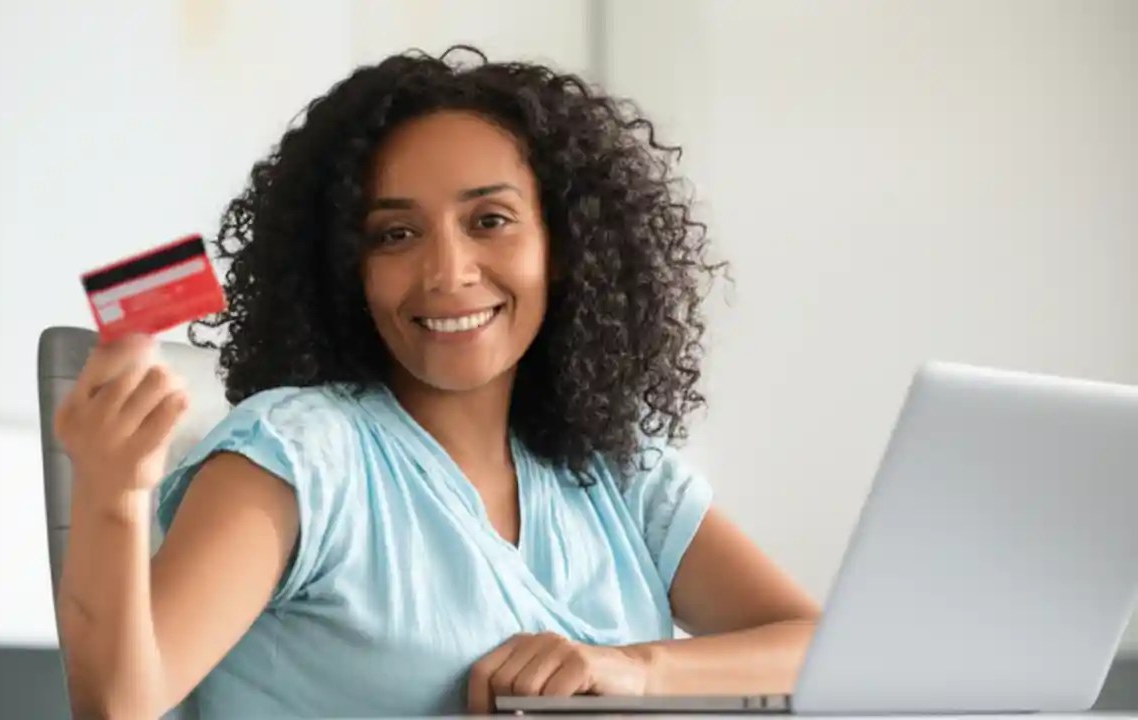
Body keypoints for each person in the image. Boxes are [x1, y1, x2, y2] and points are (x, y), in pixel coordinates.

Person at [53, 46, 821, 718]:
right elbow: (120, 704)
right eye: (396, 234)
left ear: (563, 247)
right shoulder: (298, 457)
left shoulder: (617, 475)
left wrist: (635, 669)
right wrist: (112, 496)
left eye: (490, 221)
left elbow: (820, 648)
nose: (449, 273)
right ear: (348, 270)